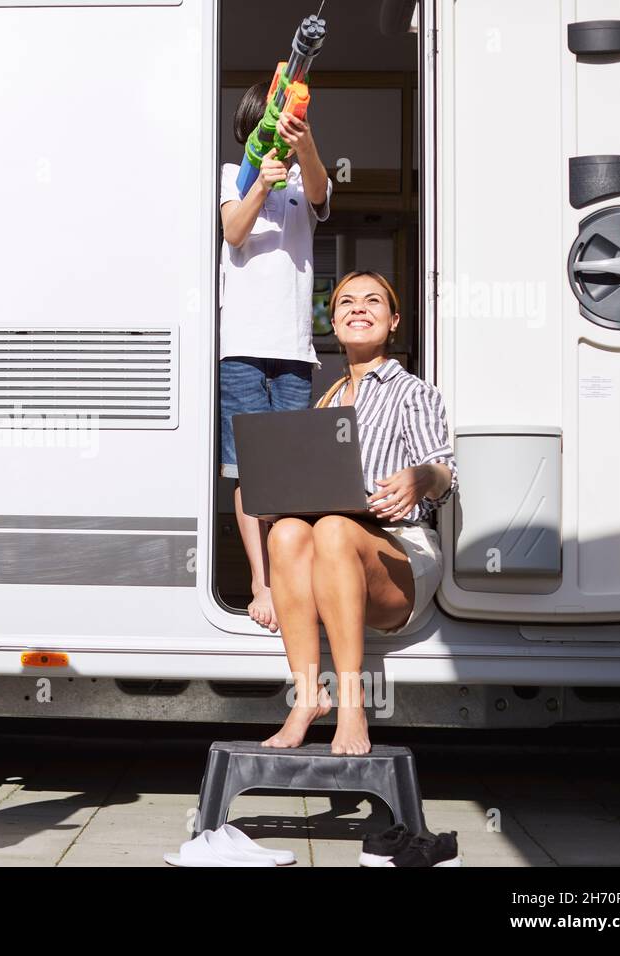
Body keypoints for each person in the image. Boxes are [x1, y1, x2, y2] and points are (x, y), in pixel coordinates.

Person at [262, 271, 458, 755]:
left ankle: (353, 706)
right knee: (287, 532)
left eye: (373, 301)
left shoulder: (412, 391)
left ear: (393, 321)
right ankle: (308, 694)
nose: (358, 308)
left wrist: (421, 478)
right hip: (336, 551)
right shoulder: (326, 399)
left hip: (400, 553)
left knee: (332, 528)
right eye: (346, 302)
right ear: (334, 322)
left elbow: (446, 472)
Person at [220, 83, 332, 630]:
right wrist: (259, 185)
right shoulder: (230, 175)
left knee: (288, 474)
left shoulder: (300, 176)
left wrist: (303, 145)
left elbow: (319, 194)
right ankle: (260, 582)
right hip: (240, 347)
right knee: (248, 472)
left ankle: (288, 578)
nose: (281, 131)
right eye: (273, 123)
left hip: (293, 349)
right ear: (250, 128)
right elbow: (234, 232)